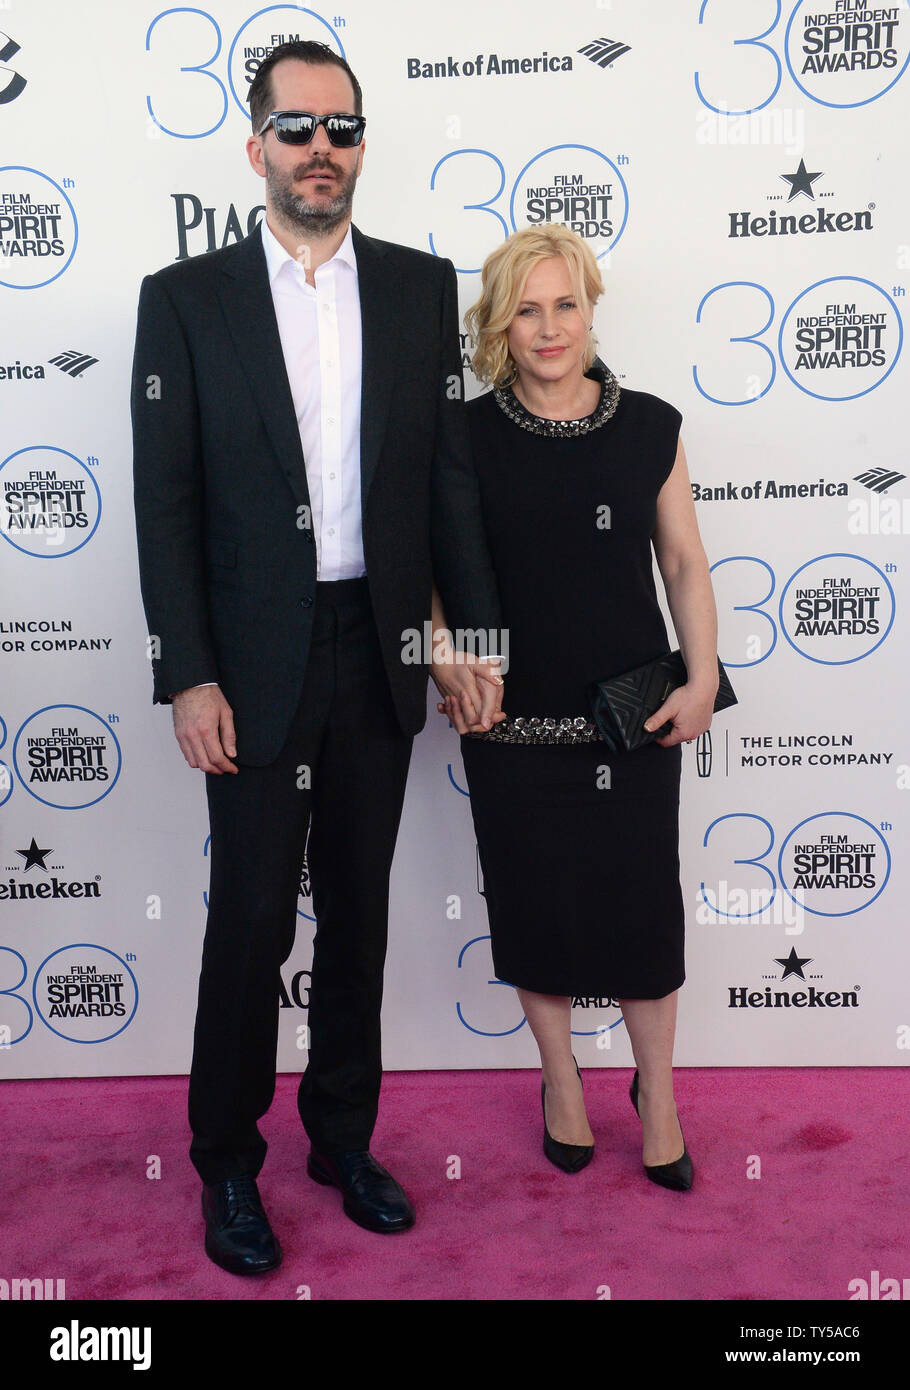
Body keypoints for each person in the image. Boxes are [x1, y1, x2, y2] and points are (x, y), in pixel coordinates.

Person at [130, 39, 504, 1275]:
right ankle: (227, 1162)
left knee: (357, 917)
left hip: (382, 649)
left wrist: (473, 642)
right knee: (248, 920)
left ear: (360, 145)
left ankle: (342, 1137)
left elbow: (452, 484)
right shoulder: (184, 300)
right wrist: (188, 671)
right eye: (297, 129)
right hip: (250, 662)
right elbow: (166, 501)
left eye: (342, 129)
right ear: (256, 149)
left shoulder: (417, 287)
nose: (321, 150)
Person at [436, 224, 718, 1190]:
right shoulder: (464, 435)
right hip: (509, 723)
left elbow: (681, 559)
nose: (548, 328)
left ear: (591, 309)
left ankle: (659, 1094)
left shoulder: (651, 424)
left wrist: (702, 678)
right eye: (526, 309)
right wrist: (447, 664)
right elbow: (436, 577)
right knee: (534, 904)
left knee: (643, 910)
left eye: (565, 304)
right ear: (499, 325)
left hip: (631, 711)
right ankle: (560, 1082)